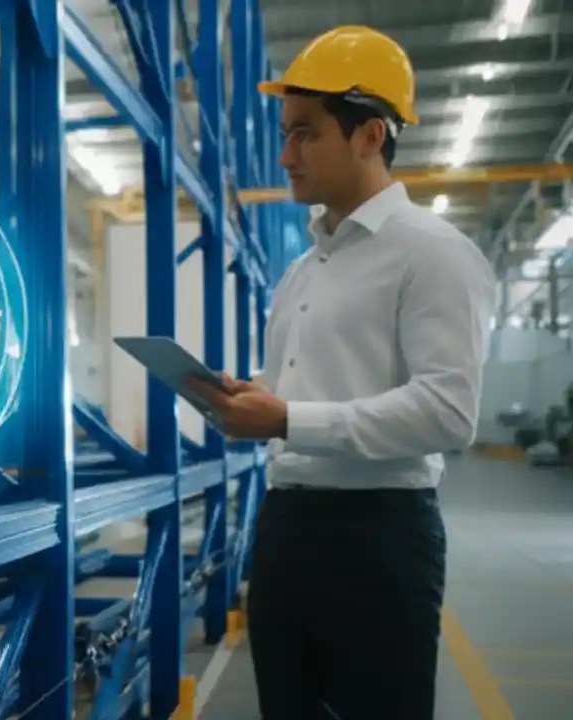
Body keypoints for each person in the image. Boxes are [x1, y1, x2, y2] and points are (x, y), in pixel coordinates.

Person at [187, 25, 498, 719]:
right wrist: (256, 398)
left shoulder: (433, 254)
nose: (285, 156)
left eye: (305, 134)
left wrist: (288, 418)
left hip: (378, 539)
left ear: (370, 135)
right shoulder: (303, 271)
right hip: (285, 527)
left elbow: (449, 412)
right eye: (285, 134)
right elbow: (308, 393)